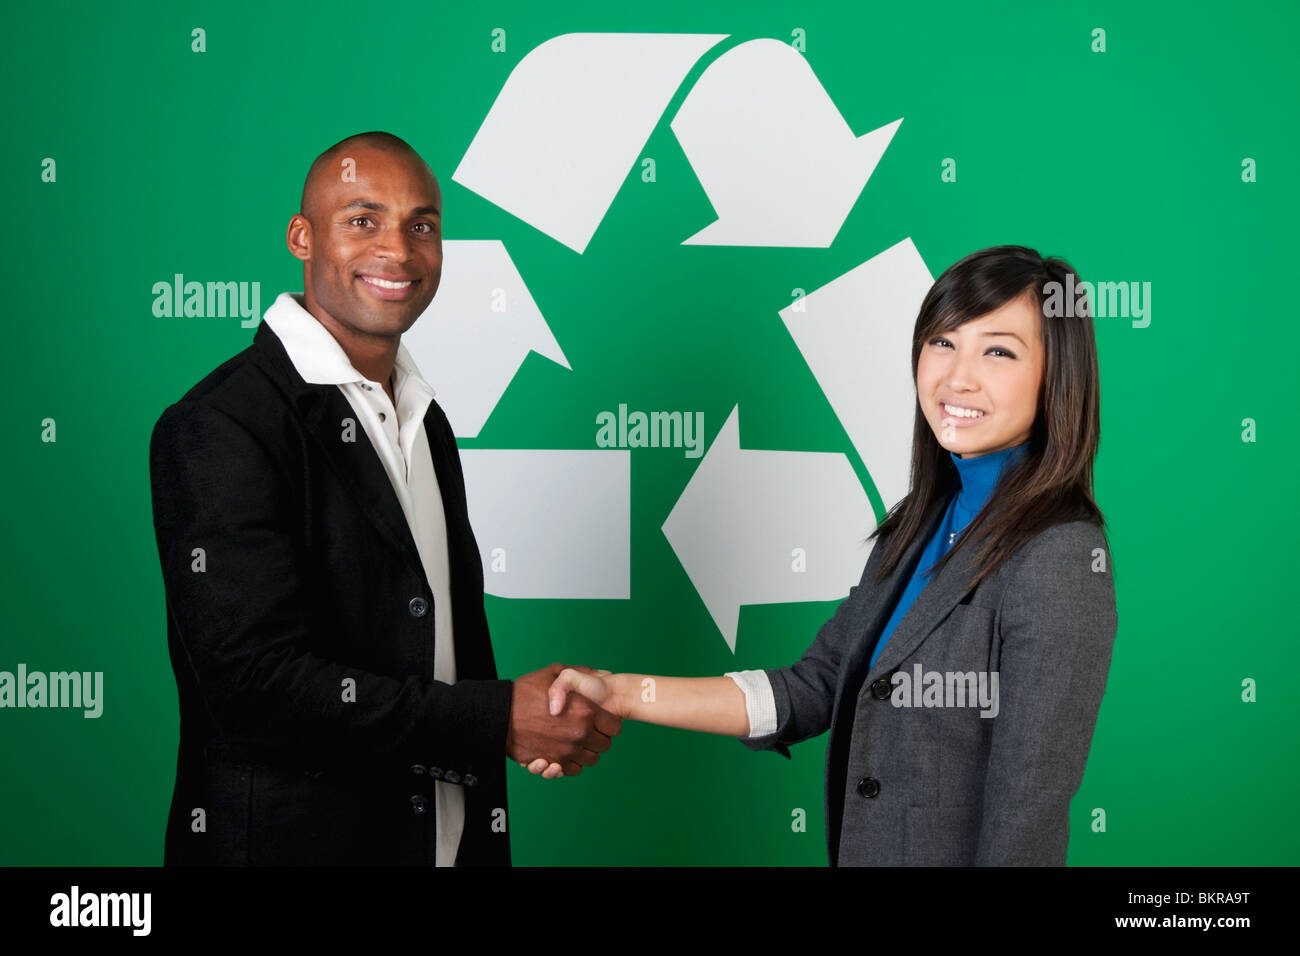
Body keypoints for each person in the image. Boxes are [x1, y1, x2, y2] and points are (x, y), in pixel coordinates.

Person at [544, 245, 1118, 866]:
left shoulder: (1061, 553)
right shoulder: (923, 523)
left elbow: (1026, 816)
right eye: (943, 342)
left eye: (999, 351)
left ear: (1055, 375)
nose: (957, 378)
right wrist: (622, 693)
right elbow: (812, 687)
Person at [148, 131, 620, 867]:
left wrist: (522, 722)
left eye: (422, 225)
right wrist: (498, 719)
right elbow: (250, 687)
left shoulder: (422, 417)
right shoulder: (224, 422)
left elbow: (430, 645)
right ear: (302, 237)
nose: (399, 250)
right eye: (363, 220)